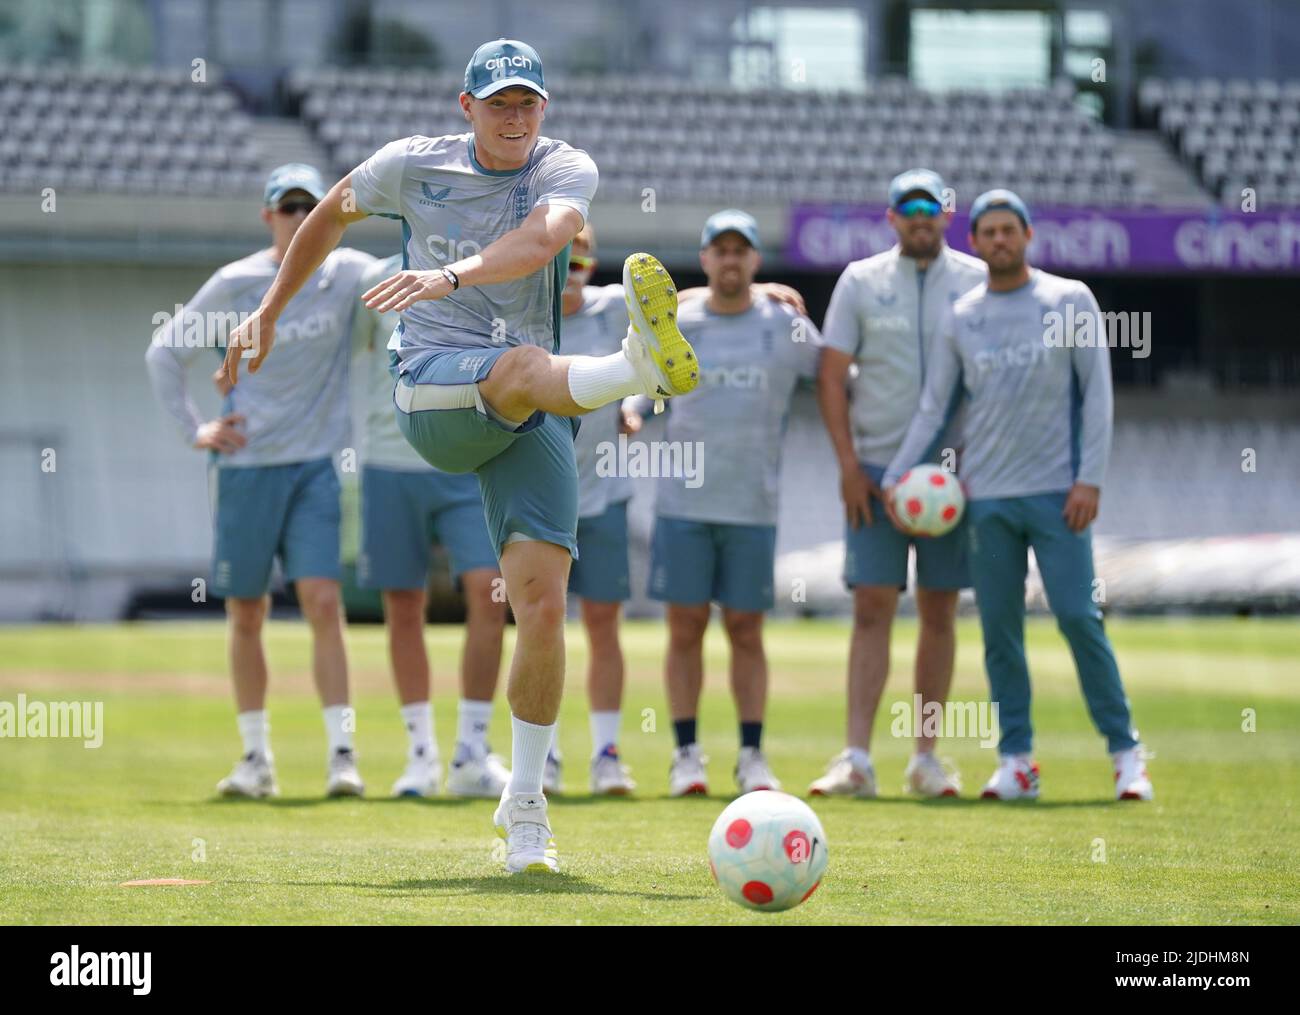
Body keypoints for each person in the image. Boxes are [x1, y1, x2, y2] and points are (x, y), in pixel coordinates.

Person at [217, 39, 699, 873]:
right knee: (517, 369)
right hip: (432, 384)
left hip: (536, 395)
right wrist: (267, 307)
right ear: (465, 107)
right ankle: (632, 369)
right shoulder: (411, 164)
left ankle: (524, 808)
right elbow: (331, 210)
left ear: (544, 108)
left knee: (544, 606)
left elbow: (546, 241)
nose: (516, 118)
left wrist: (452, 274)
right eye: (499, 103)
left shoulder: (564, 167)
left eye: (528, 103)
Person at [882, 189, 1154, 802]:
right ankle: (1016, 761)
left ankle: (1126, 754)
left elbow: (1098, 396)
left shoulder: (1068, 299)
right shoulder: (964, 314)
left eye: (1010, 230)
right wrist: (896, 474)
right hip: (987, 502)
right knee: (999, 632)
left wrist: (1091, 479)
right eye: (989, 233)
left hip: (1059, 495)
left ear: (1028, 235)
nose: (1000, 240)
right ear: (974, 243)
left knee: (1080, 618)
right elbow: (935, 408)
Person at [145, 163, 375, 799]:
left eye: (311, 206)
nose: (301, 217)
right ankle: (255, 759)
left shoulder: (348, 272)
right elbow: (164, 353)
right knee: (247, 610)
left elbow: (404, 281)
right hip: (246, 469)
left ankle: (342, 754)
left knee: (325, 604)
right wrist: (195, 429)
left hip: (316, 467)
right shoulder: (236, 282)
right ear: (268, 215)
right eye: (289, 207)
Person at [811, 169, 986, 798]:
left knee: (940, 610)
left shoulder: (976, 279)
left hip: (950, 474)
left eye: (932, 209)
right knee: (871, 608)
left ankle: (926, 758)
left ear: (947, 216)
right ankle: (856, 757)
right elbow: (831, 376)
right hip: (877, 470)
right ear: (890, 218)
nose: (920, 218)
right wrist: (849, 467)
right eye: (908, 209)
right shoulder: (861, 281)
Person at [641, 209, 822, 797]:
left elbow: (836, 373)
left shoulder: (784, 324)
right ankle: (687, 754)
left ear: (754, 260)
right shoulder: (680, 319)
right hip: (683, 504)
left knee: (746, 629)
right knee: (685, 628)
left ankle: (751, 755)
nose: (730, 260)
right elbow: (644, 388)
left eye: (740, 251)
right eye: (719, 250)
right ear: (705, 259)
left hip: (753, 506)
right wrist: (630, 414)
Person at [353, 254, 511, 799]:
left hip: (465, 460)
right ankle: (420, 754)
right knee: (401, 607)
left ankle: (471, 752)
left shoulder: (477, 267)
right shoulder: (367, 274)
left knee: (490, 598)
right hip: (388, 464)